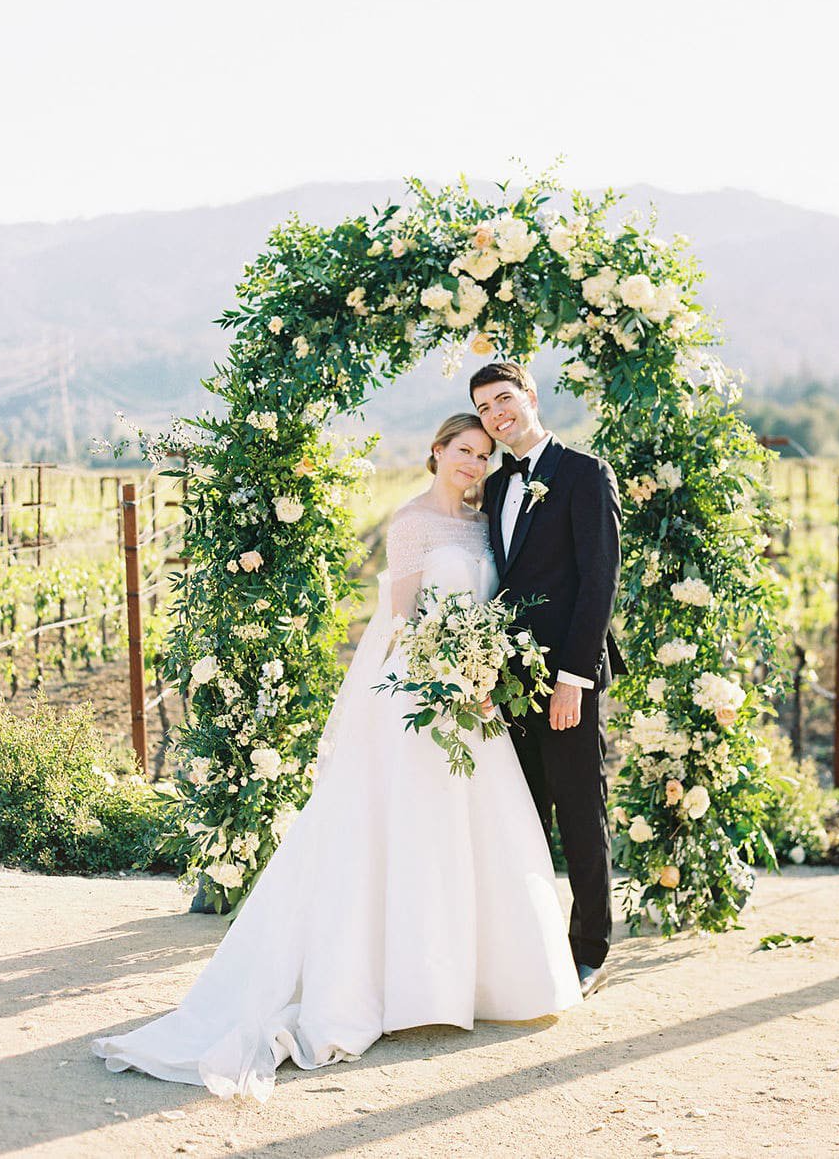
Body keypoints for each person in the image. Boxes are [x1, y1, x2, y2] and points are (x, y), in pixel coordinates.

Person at [91, 413, 581, 1102]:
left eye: (483, 454)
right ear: (436, 451)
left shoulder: (484, 525)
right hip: (420, 696)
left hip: (475, 703)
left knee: (468, 839)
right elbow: (406, 624)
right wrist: (451, 675)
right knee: (401, 836)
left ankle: (474, 980)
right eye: (462, 450)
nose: (473, 463)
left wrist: (484, 677)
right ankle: (397, 985)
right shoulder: (411, 523)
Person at [470, 362, 623, 998]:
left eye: (504, 399)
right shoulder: (497, 482)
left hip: (566, 675)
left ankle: (590, 948)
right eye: (483, 408)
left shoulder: (585, 473)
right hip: (509, 679)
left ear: (530, 397)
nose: (496, 415)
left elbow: (599, 583)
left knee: (579, 810)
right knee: (524, 813)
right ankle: (532, 946)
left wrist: (572, 678)